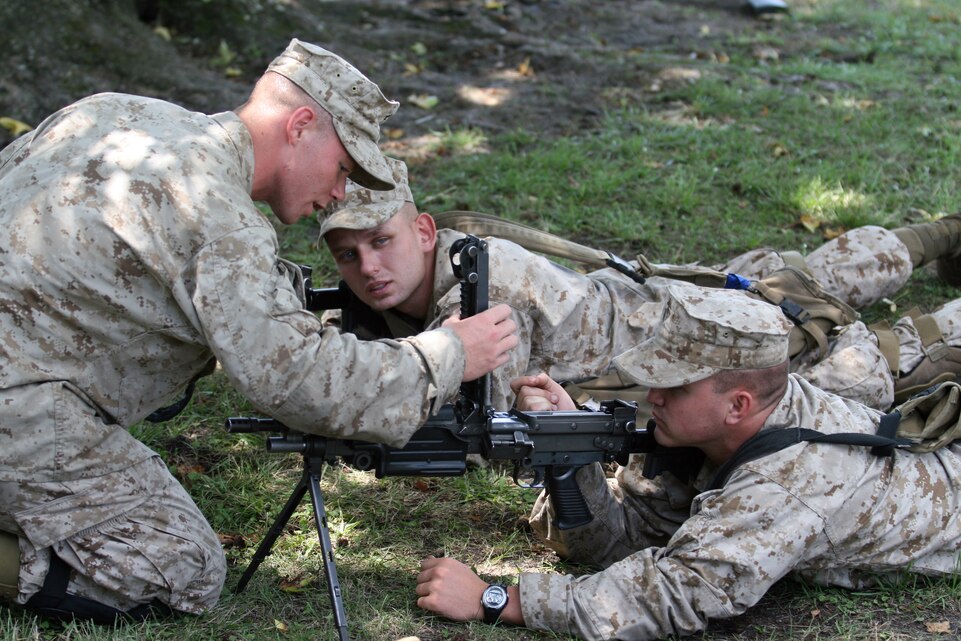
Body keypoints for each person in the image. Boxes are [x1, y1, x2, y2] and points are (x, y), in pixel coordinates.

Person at [0, 39, 518, 621]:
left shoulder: (116, 115)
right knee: (182, 567)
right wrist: (446, 355)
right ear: (300, 126)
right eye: (344, 167)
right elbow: (302, 382)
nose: (341, 193)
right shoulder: (219, 219)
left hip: (22, 379)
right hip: (17, 412)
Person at [413, 283, 961, 640]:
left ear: (737, 406)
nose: (653, 396)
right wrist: (569, 438)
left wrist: (498, 599)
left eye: (674, 386)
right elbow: (617, 541)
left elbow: (676, 595)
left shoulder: (786, 485)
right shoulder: (710, 429)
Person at [319, 157, 961, 411]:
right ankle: (944, 234)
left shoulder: (480, 295)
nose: (369, 268)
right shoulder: (437, 266)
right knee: (801, 277)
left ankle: (944, 264)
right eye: (348, 255)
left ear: (425, 231)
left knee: (859, 352)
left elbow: (476, 414)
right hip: (648, 306)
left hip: (684, 342)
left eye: (383, 242)